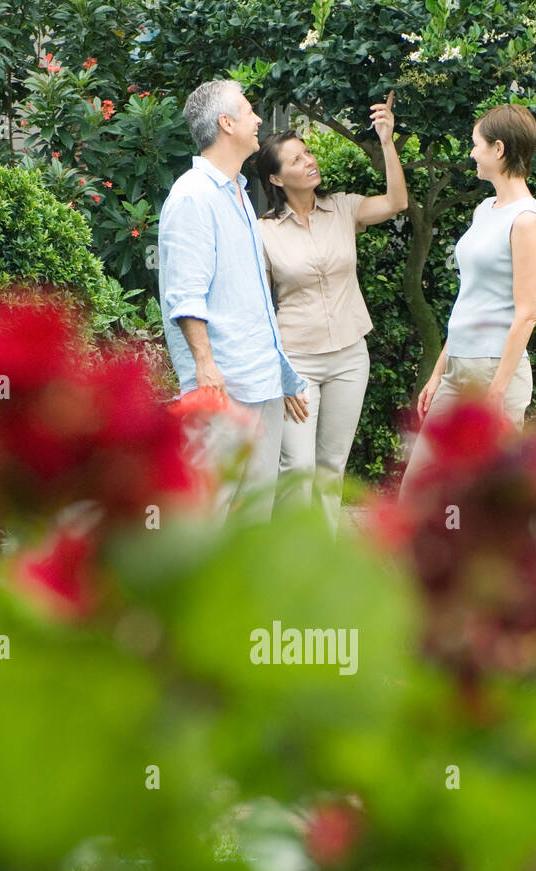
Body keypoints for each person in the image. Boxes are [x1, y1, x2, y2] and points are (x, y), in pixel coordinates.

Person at [157, 80, 309, 523]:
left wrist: (280, 375)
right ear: (226, 123)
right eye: (248, 111)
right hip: (221, 388)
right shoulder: (192, 197)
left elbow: (252, 298)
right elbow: (184, 294)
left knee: (252, 520)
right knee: (207, 516)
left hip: (259, 381)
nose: (258, 119)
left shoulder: (239, 191)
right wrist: (205, 366)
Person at [256, 93, 408, 533]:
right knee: (297, 467)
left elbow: (396, 202)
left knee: (329, 467)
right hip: (297, 363)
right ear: (277, 178)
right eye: (296, 160)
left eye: (308, 153)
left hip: (349, 358)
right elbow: (262, 308)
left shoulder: (342, 207)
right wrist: (281, 375)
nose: (309, 162)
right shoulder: (263, 232)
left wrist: (387, 141)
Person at [399, 104, 536, 500]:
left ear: (498, 149)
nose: (471, 153)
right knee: (418, 490)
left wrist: (497, 392)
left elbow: (527, 312)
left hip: (495, 374)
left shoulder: (527, 220)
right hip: (459, 368)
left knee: (487, 501)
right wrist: (437, 372)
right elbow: (470, 300)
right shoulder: (486, 210)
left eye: (475, 145)